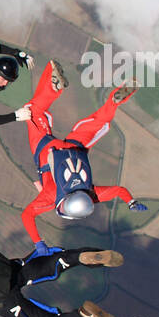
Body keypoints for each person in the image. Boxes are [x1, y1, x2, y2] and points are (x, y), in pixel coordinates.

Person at [21, 61, 148, 254]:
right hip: (47, 149)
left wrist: (131, 202)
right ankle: (53, 87)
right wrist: (38, 242)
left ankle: (113, 102)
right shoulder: (50, 197)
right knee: (32, 111)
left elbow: (118, 190)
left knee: (99, 120)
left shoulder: (92, 194)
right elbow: (27, 215)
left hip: (76, 148)